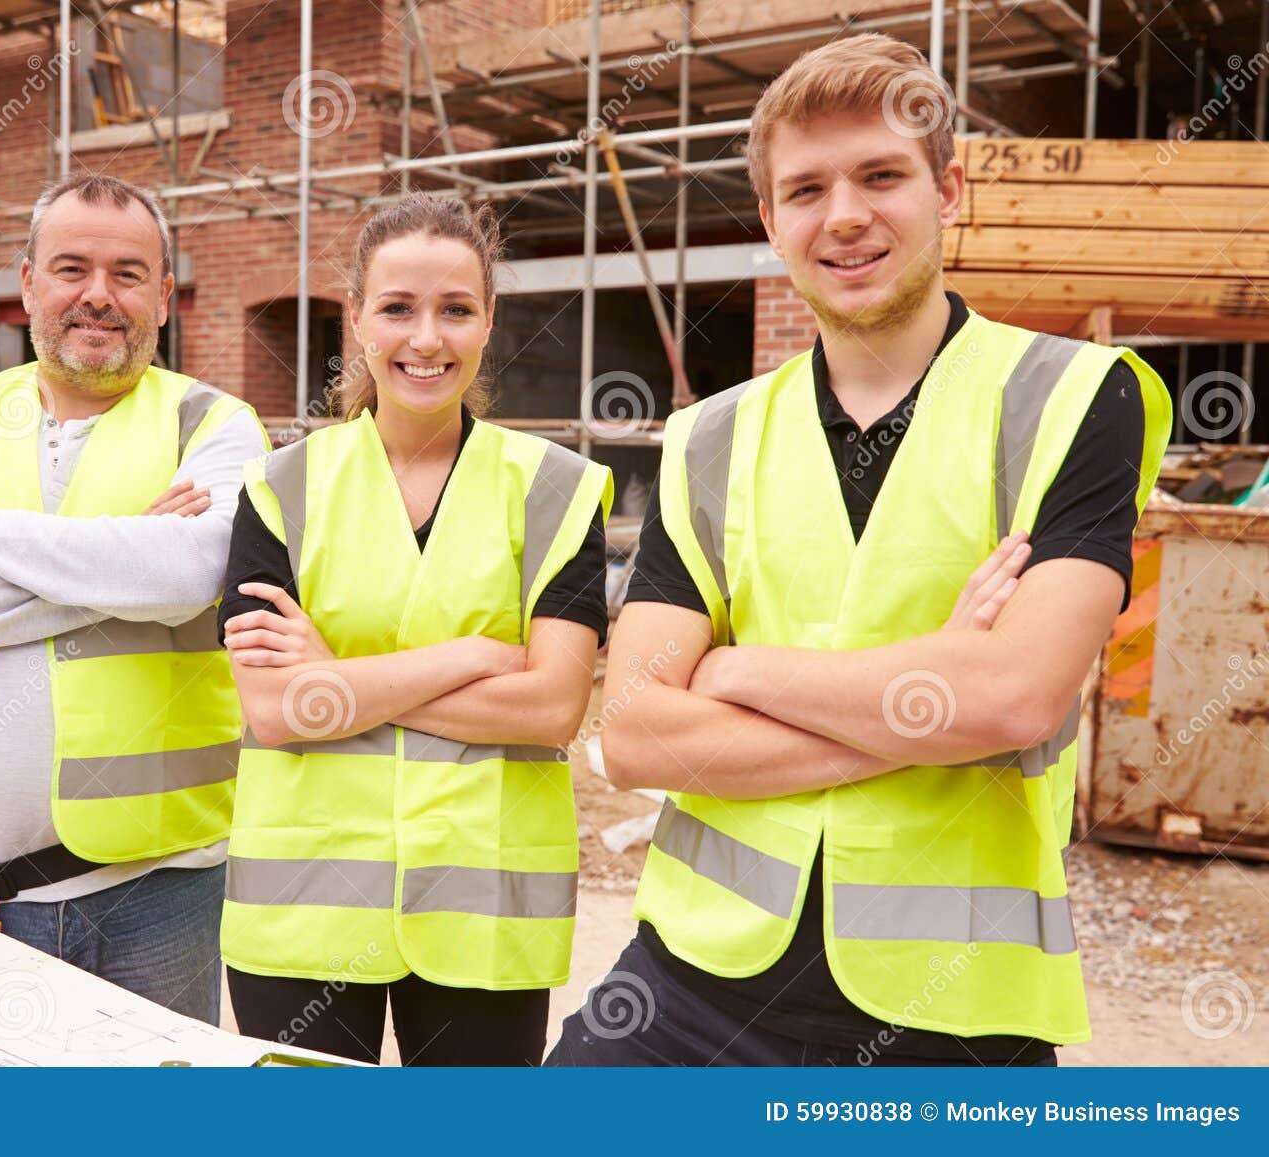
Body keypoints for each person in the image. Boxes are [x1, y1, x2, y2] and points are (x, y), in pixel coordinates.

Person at [547, 33, 1172, 1067]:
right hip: (689, 985)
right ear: (771, 223)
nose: (843, 215)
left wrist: (736, 668)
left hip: (952, 1010)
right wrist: (935, 702)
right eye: (806, 189)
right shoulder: (709, 435)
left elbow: (1015, 700)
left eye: (881, 175)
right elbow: (639, 733)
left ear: (948, 189)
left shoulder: (1072, 396)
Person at [0, 173, 268, 1024]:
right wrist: (126, 568)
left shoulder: (214, 424)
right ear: (29, 281)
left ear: (164, 293)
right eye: (71, 268)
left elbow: (193, 576)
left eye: (128, 273)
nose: (98, 296)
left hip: (158, 890)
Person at [216, 194, 612, 1065]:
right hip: (302, 915)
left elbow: (551, 707)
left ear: (487, 321)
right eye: (397, 308)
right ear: (356, 318)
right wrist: (468, 657)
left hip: (484, 922)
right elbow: (278, 711)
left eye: (455, 310)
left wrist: (342, 678)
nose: (425, 339)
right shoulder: (279, 487)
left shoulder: (555, 489)